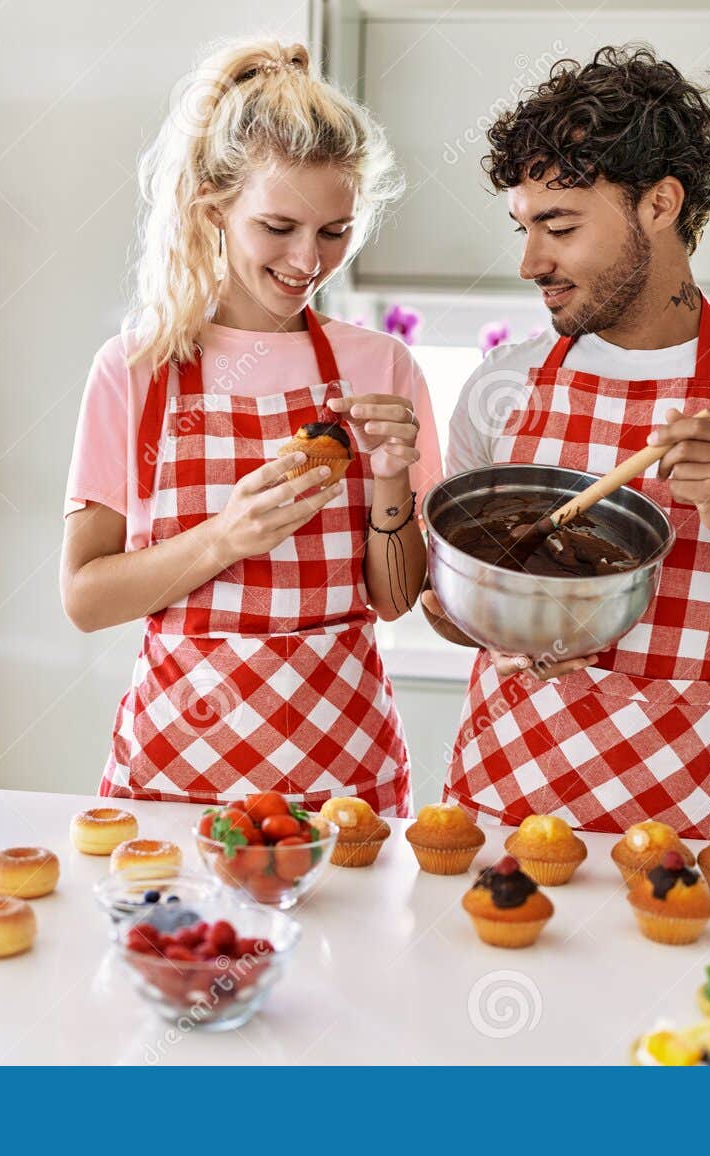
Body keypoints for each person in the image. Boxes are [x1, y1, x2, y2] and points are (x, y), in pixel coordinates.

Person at [423, 45, 710, 837]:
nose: (532, 261)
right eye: (524, 228)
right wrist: (507, 627)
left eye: (559, 226)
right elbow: (442, 602)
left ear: (660, 204)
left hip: (680, 846)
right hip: (494, 819)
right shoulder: (502, 384)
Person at [61, 38, 442, 815]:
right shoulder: (137, 371)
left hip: (343, 769)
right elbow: (86, 598)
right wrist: (223, 538)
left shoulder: (382, 368)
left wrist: (392, 478)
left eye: (335, 232)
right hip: (178, 774)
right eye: (279, 227)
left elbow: (397, 599)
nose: (309, 260)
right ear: (215, 209)